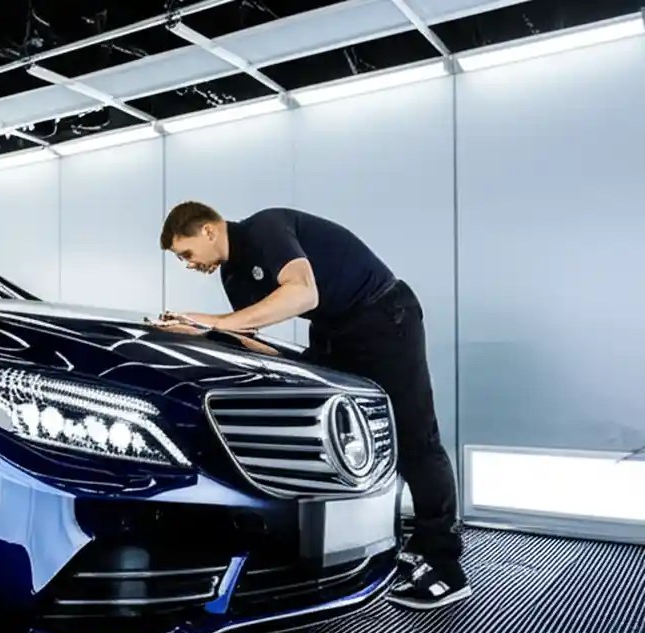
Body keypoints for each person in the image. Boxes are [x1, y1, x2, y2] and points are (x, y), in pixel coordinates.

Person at [155, 201, 470, 611]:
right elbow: (249, 335)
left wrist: (213, 321)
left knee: (414, 439)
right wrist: (200, 334)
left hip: (384, 316)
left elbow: (303, 292)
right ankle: (380, 542)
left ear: (209, 231)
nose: (188, 264)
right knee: (335, 437)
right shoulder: (233, 275)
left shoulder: (264, 228)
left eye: (186, 254)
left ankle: (445, 565)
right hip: (334, 332)